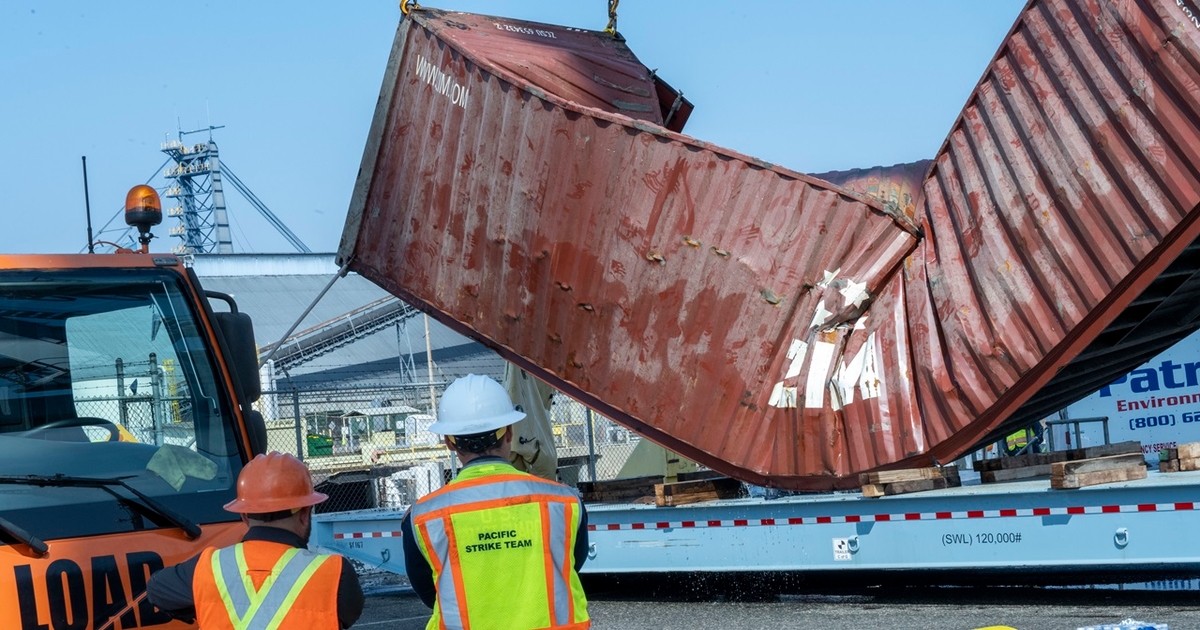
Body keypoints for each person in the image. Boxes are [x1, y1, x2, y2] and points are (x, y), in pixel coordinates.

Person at [401, 374, 590, 629]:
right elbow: (570, 564)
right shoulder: (563, 502)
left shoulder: (424, 517)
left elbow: (429, 592)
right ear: (510, 432)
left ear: (449, 441)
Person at [147, 451, 364, 629]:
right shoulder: (335, 574)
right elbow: (349, 612)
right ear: (305, 512)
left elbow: (157, 589)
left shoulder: (209, 569)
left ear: (244, 515)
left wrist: (204, 602)